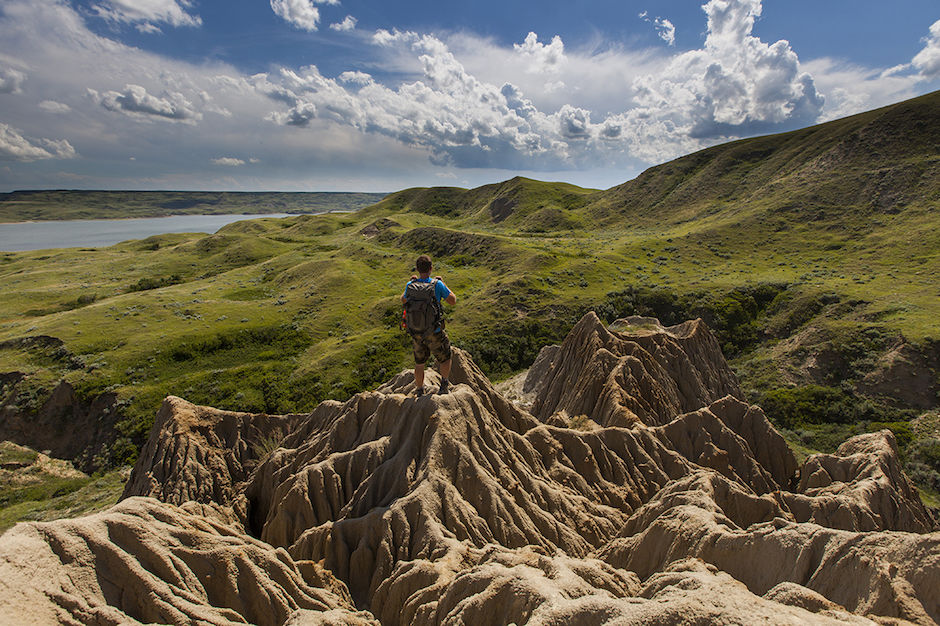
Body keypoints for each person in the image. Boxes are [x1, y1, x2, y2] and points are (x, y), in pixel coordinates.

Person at [401, 254, 457, 395]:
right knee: (445, 357)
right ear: (431, 269)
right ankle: (444, 385)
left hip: (416, 332)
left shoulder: (410, 285)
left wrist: (410, 283)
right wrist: (443, 283)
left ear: (418, 269)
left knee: (419, 363)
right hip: (434, 331)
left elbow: (403, 300)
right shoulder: (436, 284)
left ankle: (419, 390)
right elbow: (452, 300)